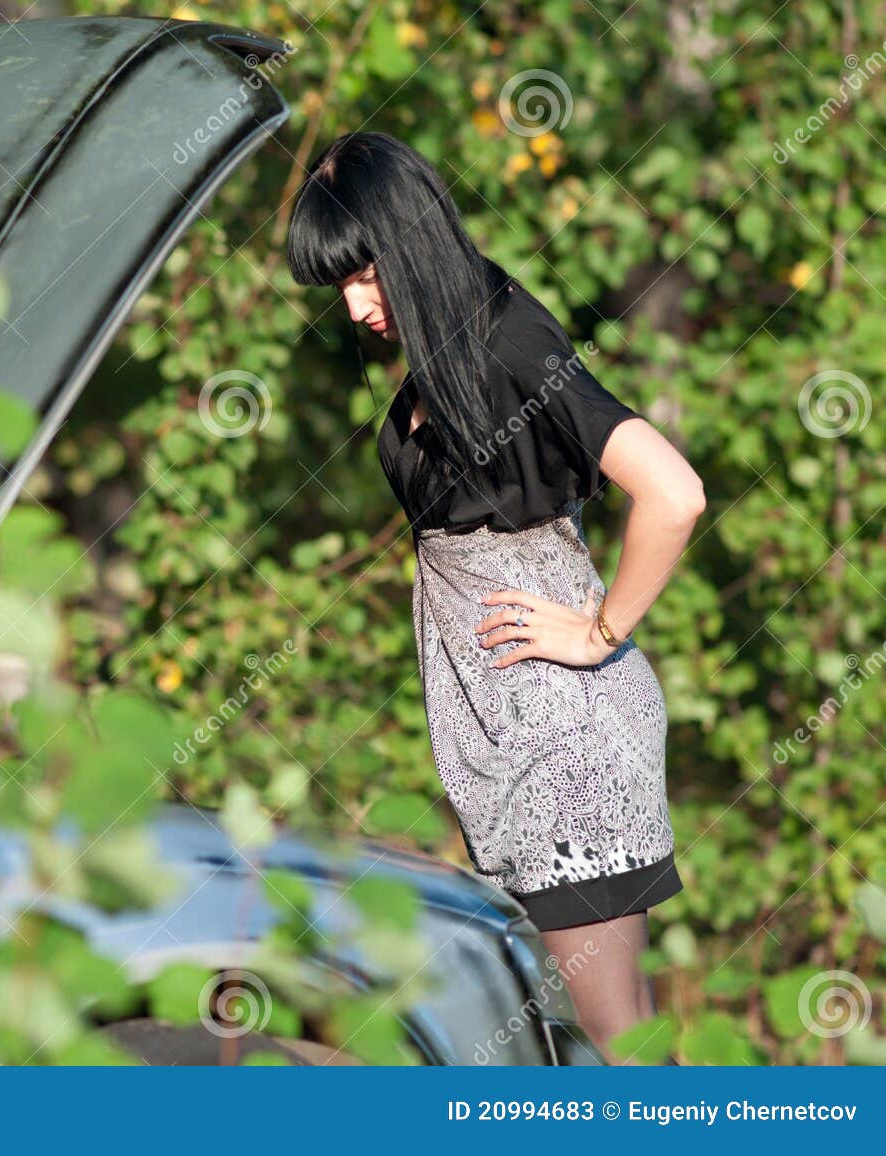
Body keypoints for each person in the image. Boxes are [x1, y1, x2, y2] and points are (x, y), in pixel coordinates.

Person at [285, 131, 705, 1062]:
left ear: (412, 244)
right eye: (341, 285)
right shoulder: (452, 348)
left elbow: (675, 494)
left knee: (617, 1047)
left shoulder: (508, 339)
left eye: (366, 275)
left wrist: (599, 632)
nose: (354, 307)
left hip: (564, 746)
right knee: (600, 1047)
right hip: (516, 737)